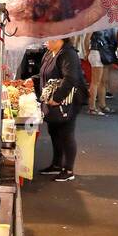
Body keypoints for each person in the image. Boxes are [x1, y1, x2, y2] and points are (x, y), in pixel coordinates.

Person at [38, 36, 84, 182]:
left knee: (66, 133)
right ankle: (57, 164)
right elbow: (44, 74)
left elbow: (70, 79)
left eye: (50, 39)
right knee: (54, 131)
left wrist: (57, 98)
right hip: (51, 101)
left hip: (66, 102)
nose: (46, 42)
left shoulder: (68, 54)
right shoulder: (48, 53)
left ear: (60, 40)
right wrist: (31, 80)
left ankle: (68, 169)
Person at [85, 28, 117, 115]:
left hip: (102, 52)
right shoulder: (107, 25)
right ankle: (92, 107)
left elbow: (87, 39)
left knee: (102, 81)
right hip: (99, 52)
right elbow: (87, 39)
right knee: (96, 82)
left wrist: (88, 51)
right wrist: (87, 51)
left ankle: (102, 105)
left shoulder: (104, 24)